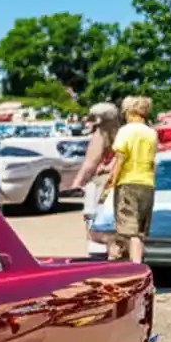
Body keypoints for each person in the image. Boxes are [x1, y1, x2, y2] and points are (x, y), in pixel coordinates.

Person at [103, 96, 158, 263]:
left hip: (128, 182)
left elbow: (120, 158)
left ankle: (134, 266)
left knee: (129, 231)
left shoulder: (126, 131)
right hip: (147, 184)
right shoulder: (151, 133)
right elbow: (152, 162)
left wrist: (111, 181)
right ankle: (135, 263)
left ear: (131, 111)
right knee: (139, 232)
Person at [71, 102, 120, 245]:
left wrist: (77, 182)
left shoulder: (101, 134)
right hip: (117, 180)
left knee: (92, 217)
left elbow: (90, 163)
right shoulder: (121, 132)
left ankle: (102, 249)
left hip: (100, 181)